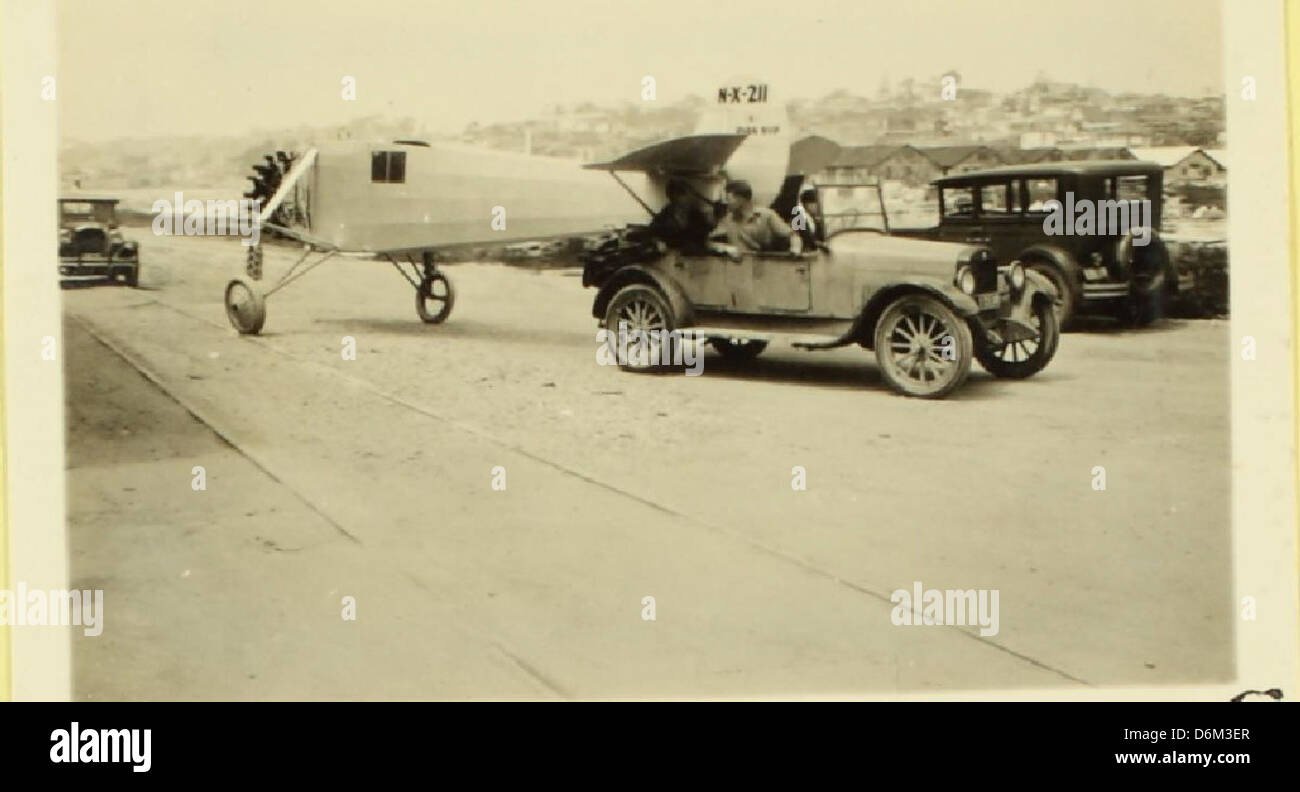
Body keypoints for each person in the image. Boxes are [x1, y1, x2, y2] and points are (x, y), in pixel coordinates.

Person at [710, 179, 799, 255]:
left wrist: (795, 249)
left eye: (729, 199)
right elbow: (710, 243)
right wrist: (726, 248)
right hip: (738, 270)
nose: (726, 203)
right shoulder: (727, 220)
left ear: (741, 199)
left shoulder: (766, 215)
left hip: (766, 268)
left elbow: (792, 236)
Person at [647, 179, 715, 252]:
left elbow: (703, 236)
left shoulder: (696, 214)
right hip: (669, 257)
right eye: (684, 195)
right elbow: (651, 232)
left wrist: (710, 222)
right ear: (673, 197)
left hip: (694, 257)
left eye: (689, 195)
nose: (689, 199)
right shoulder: (665, 215)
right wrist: (657, 242)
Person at [792, 186, 825, 250]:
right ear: (806, 204)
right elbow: (806, 238)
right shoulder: (798, 216)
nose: (817, 207)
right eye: (815, 204)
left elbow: (821, 237)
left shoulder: (814, 218)